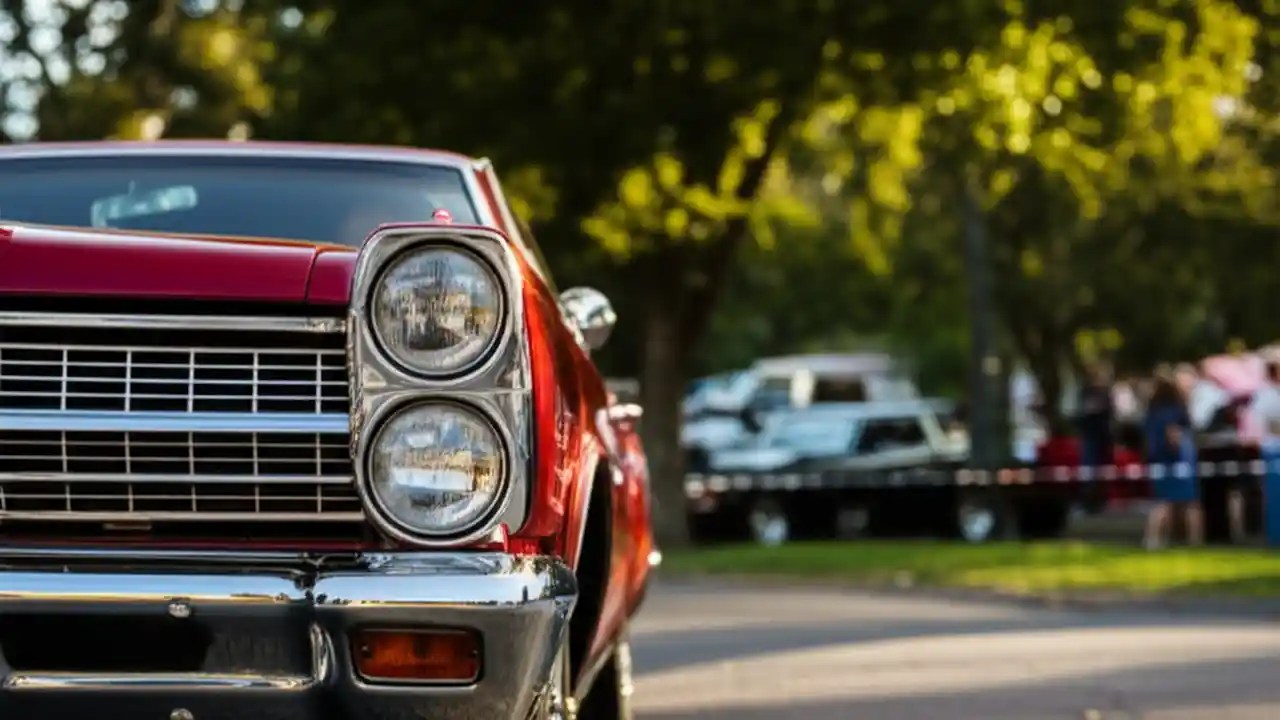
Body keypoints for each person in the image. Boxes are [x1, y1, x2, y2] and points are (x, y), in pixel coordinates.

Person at [1142, 374, 1204, 550]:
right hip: (1178, 462)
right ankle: (1195, 541)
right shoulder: (1176, 411)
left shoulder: (1151, 412)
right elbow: (1174, 435)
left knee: (1162, 503)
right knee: (1190, 504)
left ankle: (1152, 539)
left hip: (1157, 461)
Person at [1076, 363, 1115, 467]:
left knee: (1106, 466)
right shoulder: (1086, 392)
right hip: (1091, 435)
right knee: (1089, 465)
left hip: (1105, 436)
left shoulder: (1106, 393)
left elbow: (1111, 413)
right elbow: (1086, 411)